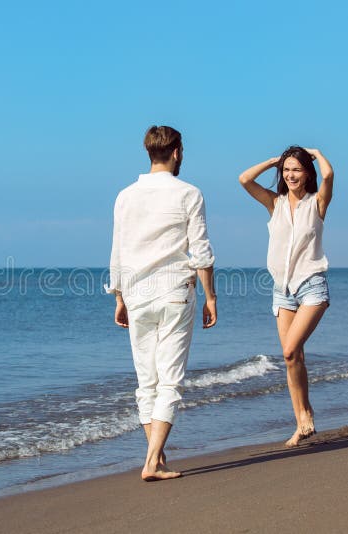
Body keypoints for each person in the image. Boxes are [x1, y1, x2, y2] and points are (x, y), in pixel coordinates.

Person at [107, 125, 217, 481]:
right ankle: (152, 462)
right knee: (169, 380)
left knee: (147, 382)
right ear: (177, 152)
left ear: (149, 152)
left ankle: (157, 455)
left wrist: (119, 297)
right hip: (175, 292)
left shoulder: (125, 196)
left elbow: (118, 251)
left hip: (137, 294)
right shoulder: (189, 193)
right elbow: (201, 252)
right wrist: (211, 298)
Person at [239, 146, 334, 447]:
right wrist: (272, 161)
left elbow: (329, 174)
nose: (291, 175)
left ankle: (306, 415)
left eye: (297, 169)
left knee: (290, 351)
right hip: (282, 291)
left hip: (311, 286)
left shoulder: (317, 203)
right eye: (287, 170)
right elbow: (244, 179)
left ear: (307, 173)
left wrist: (316, 152)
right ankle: (302, 421)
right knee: (293, 358)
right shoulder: (274, 203)